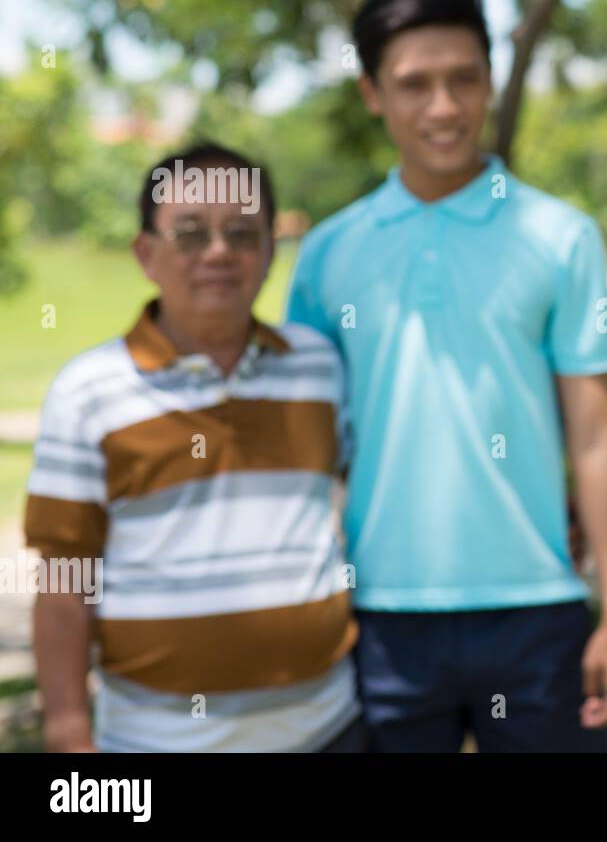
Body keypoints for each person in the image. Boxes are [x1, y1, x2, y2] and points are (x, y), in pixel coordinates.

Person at [285, 0, 607, 751]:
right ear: (373, 93)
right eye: (414, 84)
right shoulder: (327, 256)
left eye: (463, 80)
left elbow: (593, 433)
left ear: (490, 81)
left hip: (540, 612)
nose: (443, 107)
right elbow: (309, 448)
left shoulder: (561, 236)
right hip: (379, 618)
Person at [26, 143, 365, 752]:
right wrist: (68, 729)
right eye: (190, 234)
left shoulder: (320, 367)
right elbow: (64, 579)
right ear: (145, 253)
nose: (218, 253)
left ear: (268, 251)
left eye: (242, 232)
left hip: (328, 729)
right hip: (151, 744)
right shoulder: (88, 392)